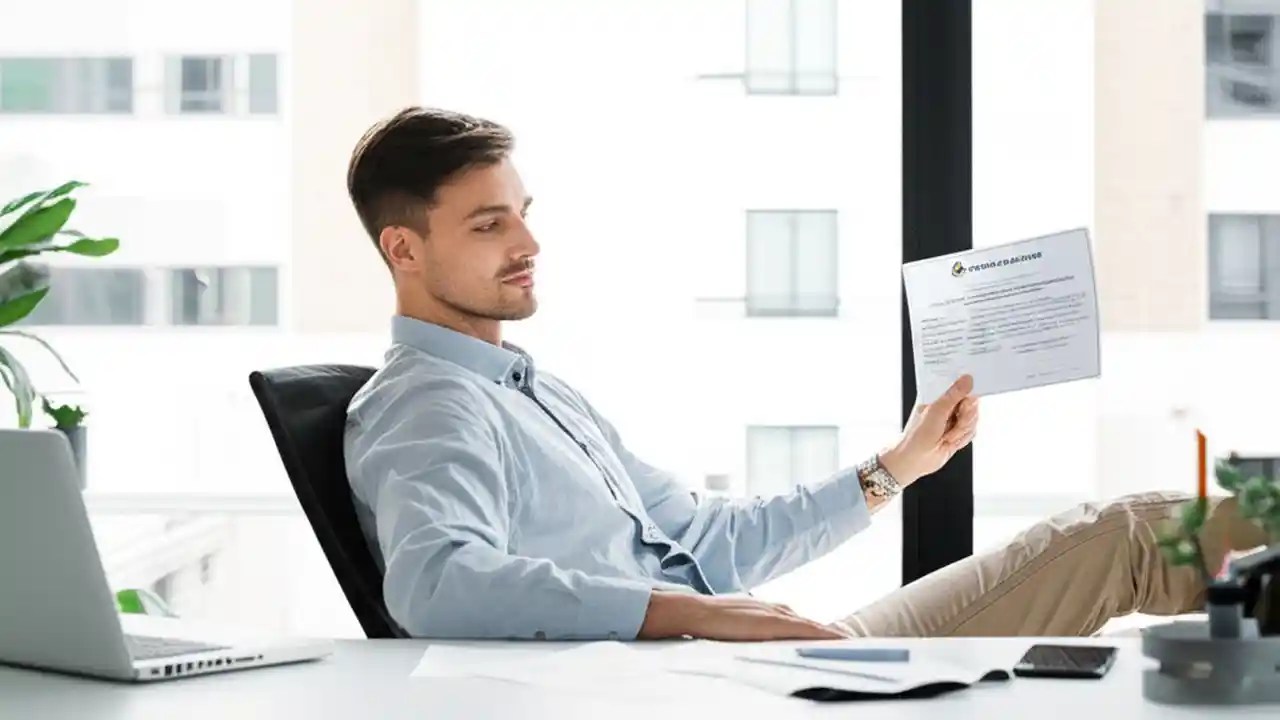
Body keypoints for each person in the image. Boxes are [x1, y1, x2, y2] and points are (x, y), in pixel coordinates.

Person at [343, 107, 1266, 640]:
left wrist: (896, 468)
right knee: (1131, 536)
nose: (529, 243)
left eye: (523, 214)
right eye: (487, 224)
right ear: (404, 248)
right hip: (720, 682)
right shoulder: (427, 404)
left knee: (1126, 533)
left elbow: (713, 539)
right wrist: (691, 617)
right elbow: (438, 585)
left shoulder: (534, 391)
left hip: (755, 663)